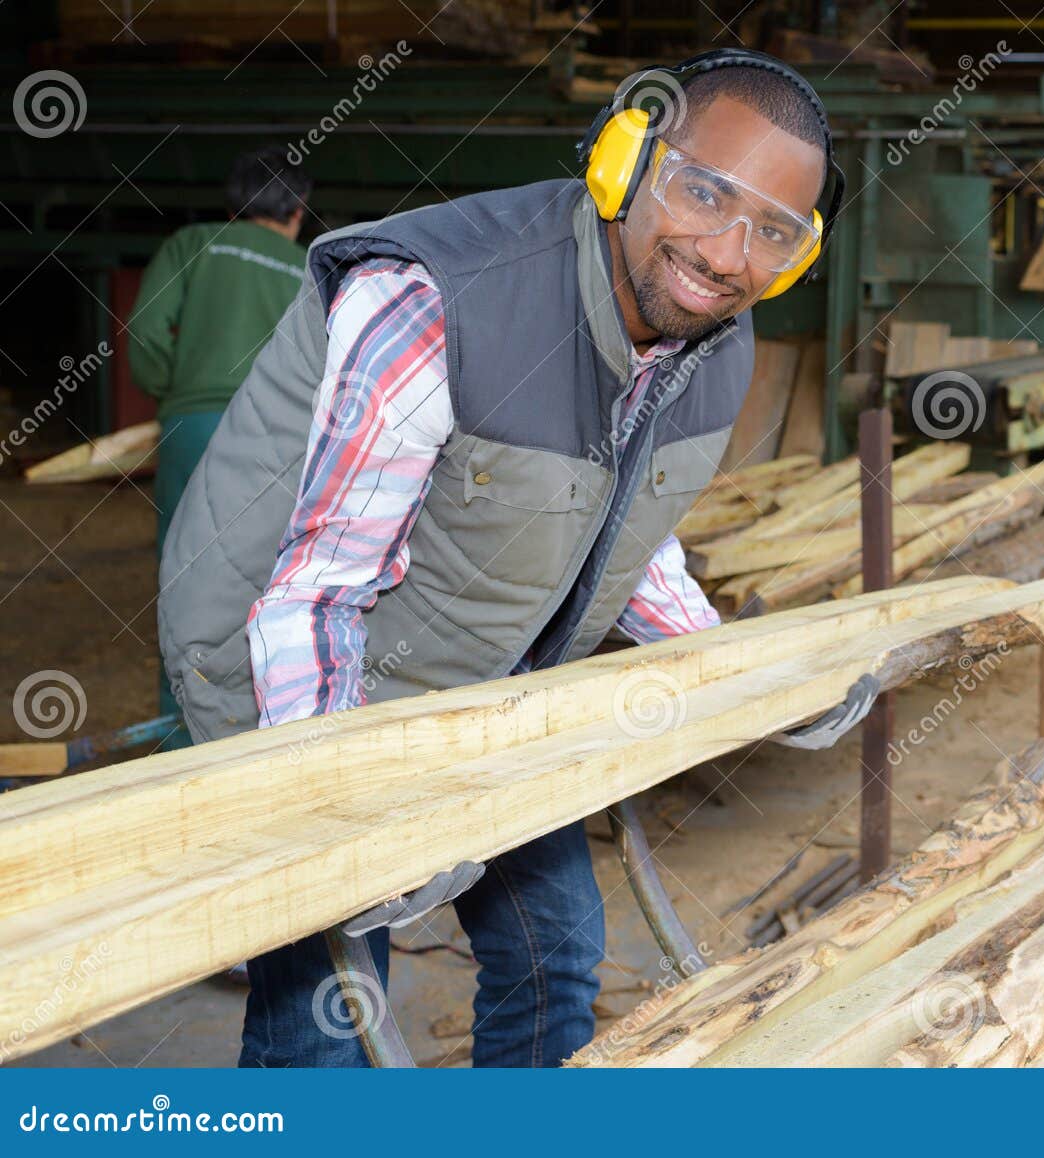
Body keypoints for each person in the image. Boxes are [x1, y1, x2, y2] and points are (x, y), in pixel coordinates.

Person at [157, 50, 871, 1068]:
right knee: (331, 1012)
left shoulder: (713, 339)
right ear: (623, 165)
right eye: (704, 191)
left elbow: (630, 532)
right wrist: (343, 826)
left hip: (481, 684)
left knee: (557, 952)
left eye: (774, 231)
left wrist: (758, 686)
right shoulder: (439, 297)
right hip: (283, 669)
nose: (727, 253)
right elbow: (313, 596)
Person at [128, 146, 311, 734]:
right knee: (274, 587)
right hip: (281, 442)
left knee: (183, 586)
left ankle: (180, 741)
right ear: (299, 209)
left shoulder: (192, 244)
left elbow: (147, 337)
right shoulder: (310, 269)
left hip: (194, 427)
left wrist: (176, 393)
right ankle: (265, 737)